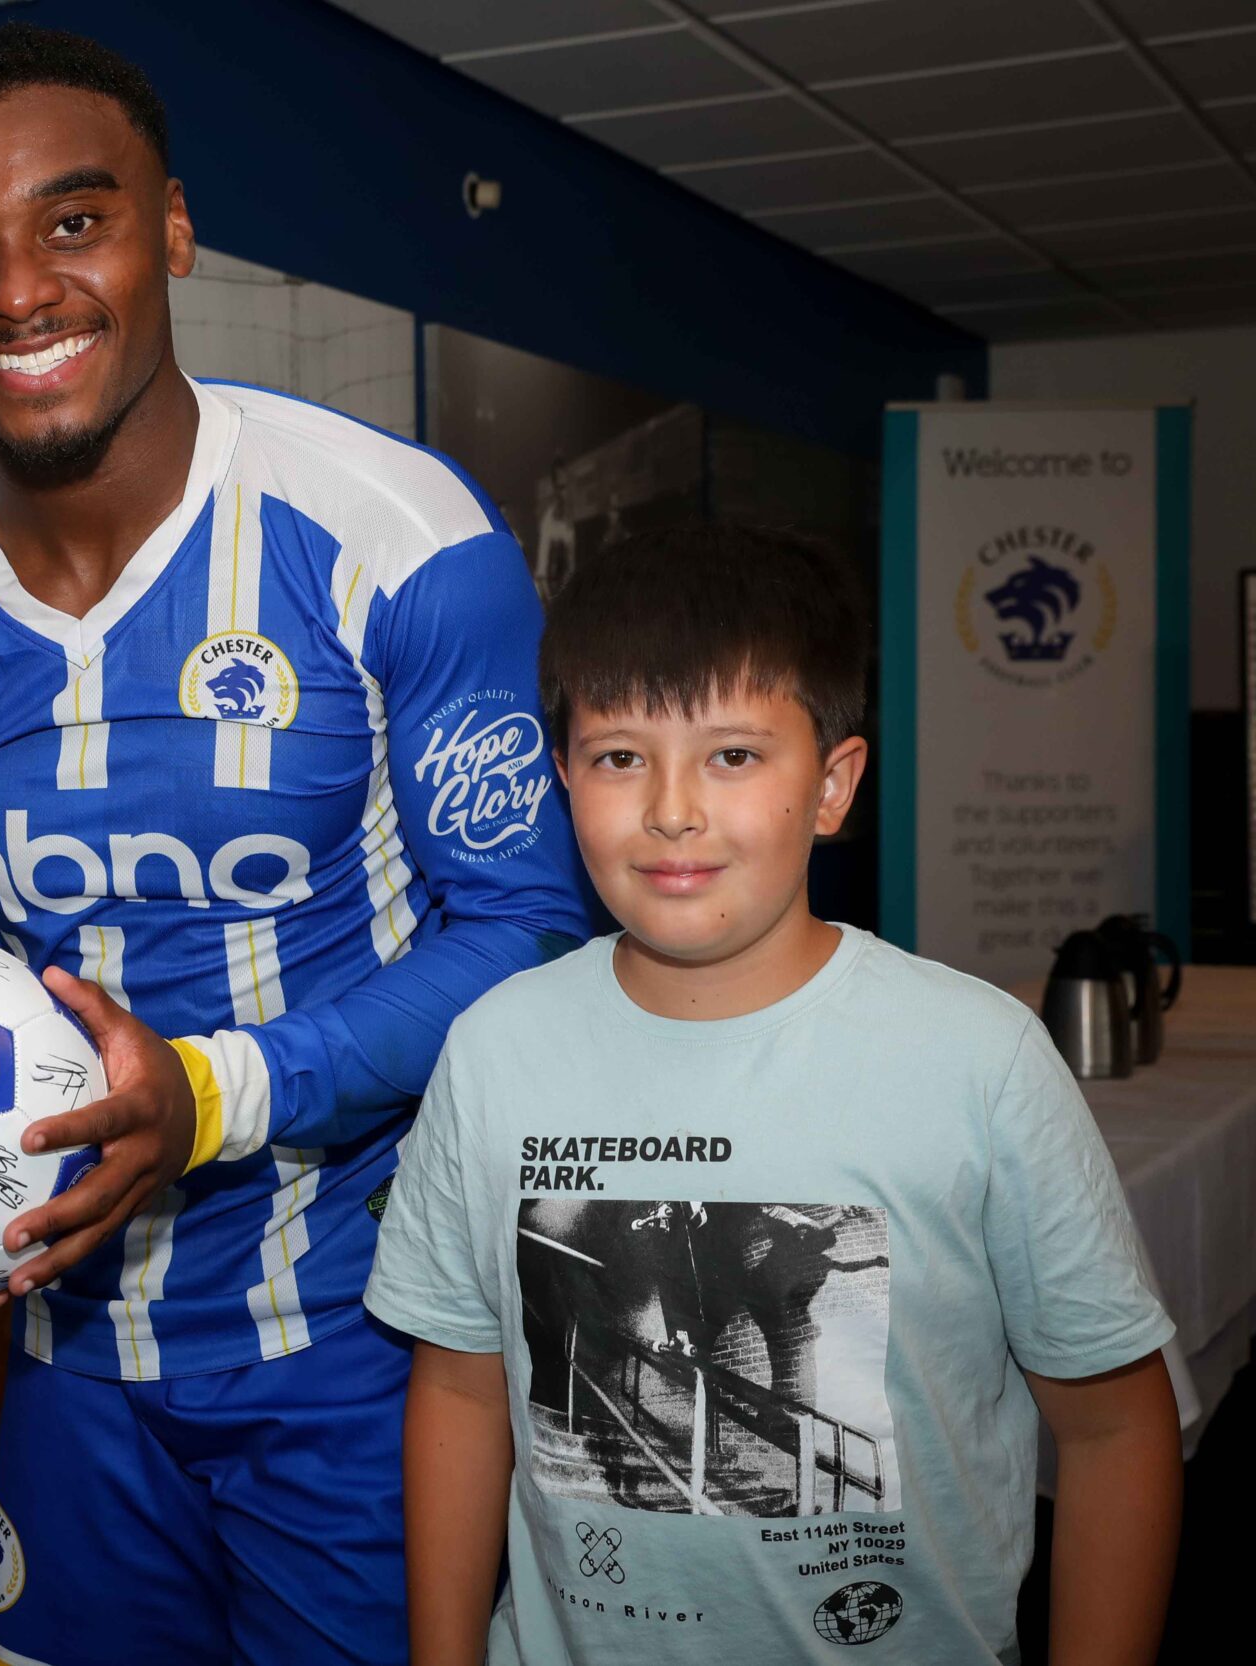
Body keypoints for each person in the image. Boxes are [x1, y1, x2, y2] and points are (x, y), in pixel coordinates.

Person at [0, 24, 591, 1665]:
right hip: (72, 1376)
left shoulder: (399, 538)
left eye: (73, 222)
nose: (16, 290)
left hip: (383, 1352)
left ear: (171, 233)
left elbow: (533, 930)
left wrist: (211, 1093)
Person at [368, 523, 1183, 1664]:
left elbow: (1114, 1429)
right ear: (562, 779)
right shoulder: (494, 1049)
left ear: (833, 784)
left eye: (733, 756)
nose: (671, 810)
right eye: (617, 757)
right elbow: (460, 1392)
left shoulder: (976, 1059)